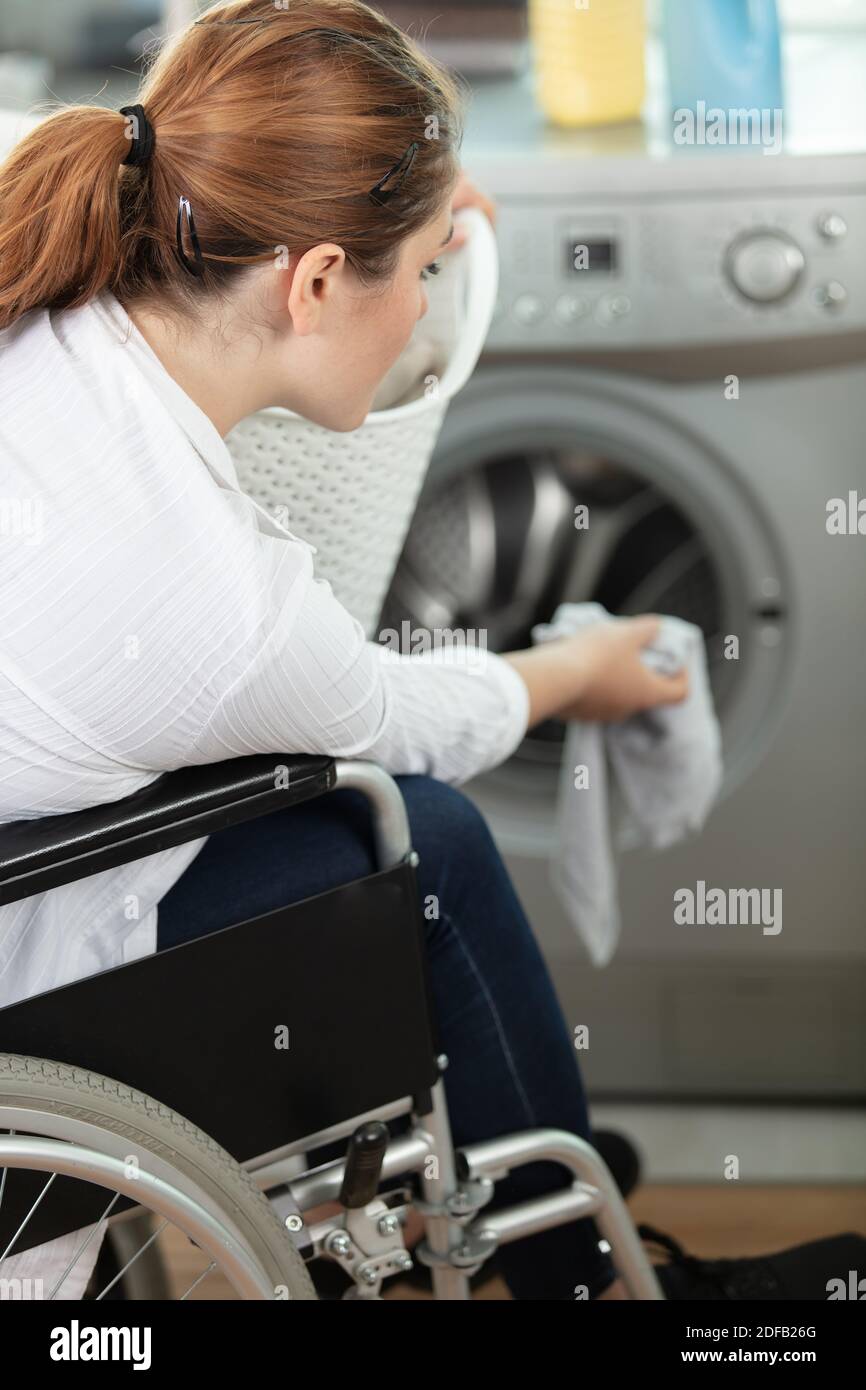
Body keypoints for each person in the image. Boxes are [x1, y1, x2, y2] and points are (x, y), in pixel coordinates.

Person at [0, 0, 860, 1302]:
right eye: (418, 274)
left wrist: (414, 193)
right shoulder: (226, 606)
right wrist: (587, 671)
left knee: (414, 833)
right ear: (315, 278)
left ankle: (532, 1170)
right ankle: (580, 1264)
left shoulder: (59, 284)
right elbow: (406, 716)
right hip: (32, 965)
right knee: (424, 833)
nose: (422, 311)